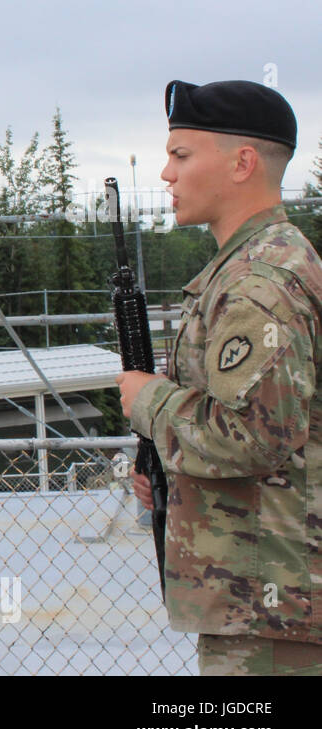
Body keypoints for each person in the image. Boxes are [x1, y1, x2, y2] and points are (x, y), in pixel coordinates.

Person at [118, 79, 322, 675]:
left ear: (242, 163)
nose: (166, 174)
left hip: (269, 599)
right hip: (264, 590)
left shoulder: (259, 282)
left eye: (181, 155)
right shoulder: (256, 264)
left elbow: (252, 436)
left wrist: (149, 402)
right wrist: (164, 457)